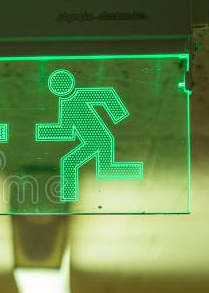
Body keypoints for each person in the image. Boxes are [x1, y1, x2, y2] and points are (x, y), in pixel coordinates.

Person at [36, 69, 143, 202]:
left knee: (72, 163)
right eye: (57, 85)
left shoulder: (81, 96)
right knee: (101, 168)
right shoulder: (66, 104)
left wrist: (118, 114)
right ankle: (137, 171)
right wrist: (43, 131)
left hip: (98, 140)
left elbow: (107, 95)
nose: (60, 88)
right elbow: (67, 131)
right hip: (94, 141)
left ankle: (69, 197)